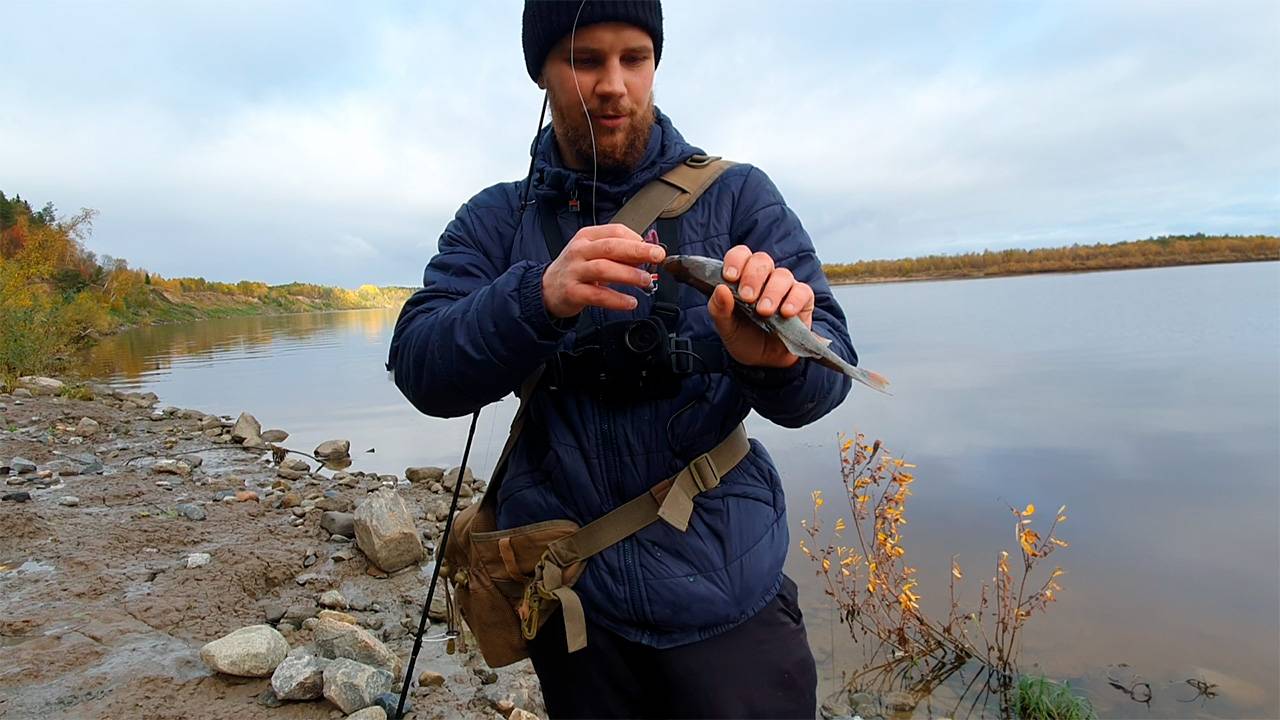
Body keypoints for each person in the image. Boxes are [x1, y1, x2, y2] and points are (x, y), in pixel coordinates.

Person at [387, 1, 858, 717]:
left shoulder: (738, 195)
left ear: (654, 65)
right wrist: (537, 297)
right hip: (577, 610)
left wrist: (777, 361)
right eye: (584, 60)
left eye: (633, 58)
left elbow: (829, 376)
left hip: (731, 597)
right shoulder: (493, 220)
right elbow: (421, 364)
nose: (613, 83)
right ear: (540, 73)